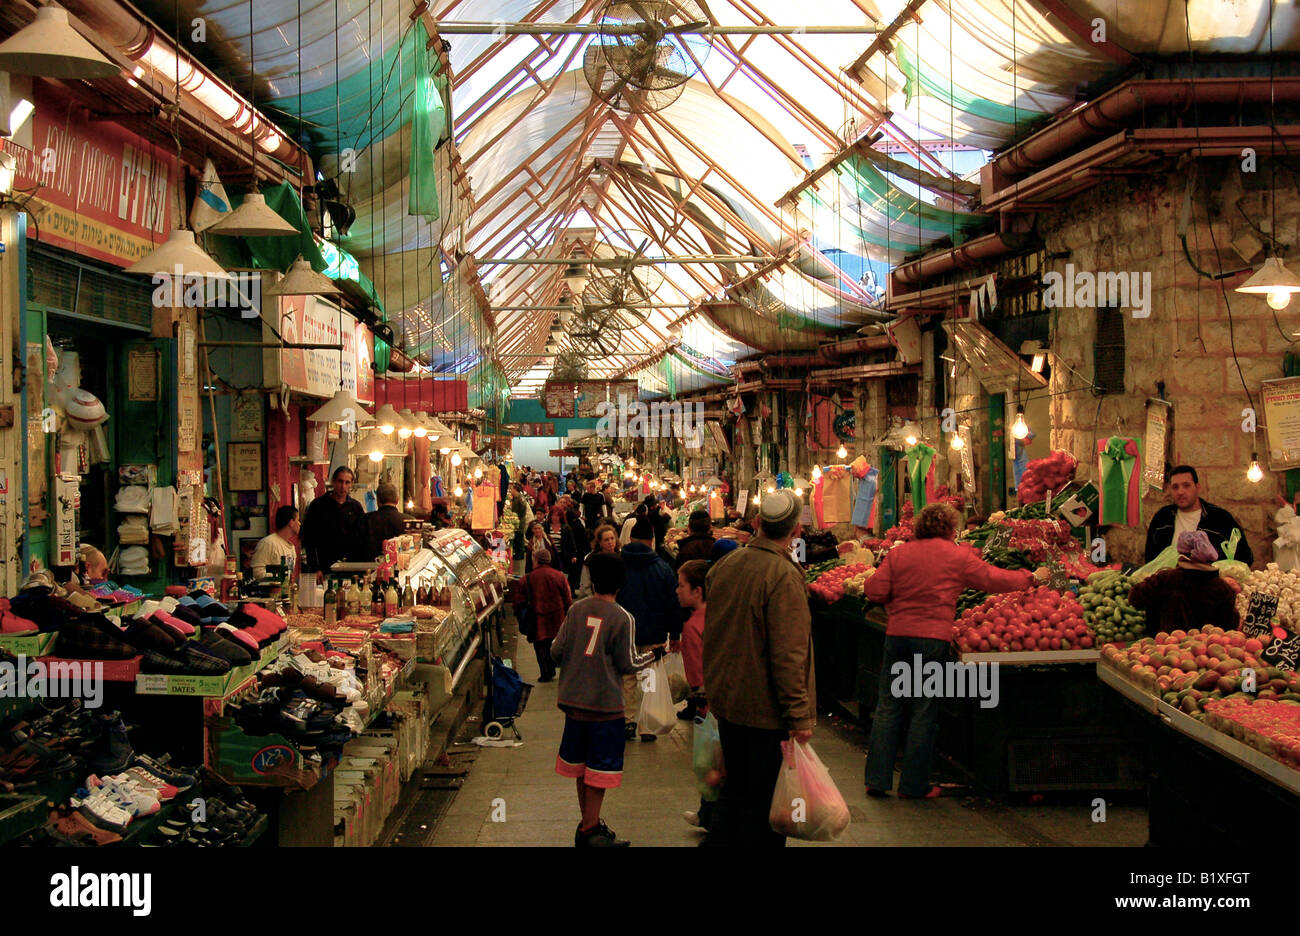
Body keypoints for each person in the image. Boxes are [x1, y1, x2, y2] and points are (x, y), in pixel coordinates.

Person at [863, 503, 1044, 799]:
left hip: (897, 637)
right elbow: (993, 579)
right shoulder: (957, 556)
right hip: (931, 640)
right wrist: (1030, 577)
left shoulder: (899, 553)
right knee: (923, 711)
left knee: (888, 707)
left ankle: (876, 780)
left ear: (920, 526)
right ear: (949, 528)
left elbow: (874, 591)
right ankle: (913, 785)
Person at [701, 490, 810, 847]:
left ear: (758, 524)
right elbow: (788, 654)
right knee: (764, 806)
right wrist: (798, 715)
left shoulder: (725, 566)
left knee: (736, 791)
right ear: (795, 531)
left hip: (728, 701)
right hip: (765, 711)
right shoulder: (782, 575)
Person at [551, 552, 658, 847]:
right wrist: (653, 655)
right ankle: (590, 831)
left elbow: (556, 652)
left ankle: (590, 823)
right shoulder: (623, 618)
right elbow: (628, 663)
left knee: (581, 765)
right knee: (600, 769)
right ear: (621, 583)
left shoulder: (576, 610)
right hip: (605, 706)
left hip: (573, 702)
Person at [619, 518, 684, 742]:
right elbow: (673, 604)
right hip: (654, 633)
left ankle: (628, 721)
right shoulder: (662, 569)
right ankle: (647, 724)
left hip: (624, 633)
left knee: (627, 676)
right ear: (651, 540)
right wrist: (675, 634)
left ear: (630, 538)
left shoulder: (619, 563)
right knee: (650, 676)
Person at [1130, 530, 1242, 634]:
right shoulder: (1223, 588)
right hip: (1207, 650)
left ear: (1182, 555)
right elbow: (1231, 625)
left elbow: (1135, 598)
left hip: (1167, 648)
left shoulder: (1166, 579)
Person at [1145, 465, 1253, 564]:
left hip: (1209, 583)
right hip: (1168, 582)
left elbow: (1245, 557)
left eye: (1186, 485)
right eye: (1175, 487)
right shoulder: (1161, 518)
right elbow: (1150, 559)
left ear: (1197, 487)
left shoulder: (1221, 518)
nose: (1180, 492)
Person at [676, 559, 713, 831]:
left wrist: (699, 703)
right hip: (730, 700)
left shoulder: (691, 628)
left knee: (709, 764)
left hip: (708, 707)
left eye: (681, 586)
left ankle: (710, 816)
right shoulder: (720, 615)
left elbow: (697, 675)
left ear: (697, 591)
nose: (677, 591)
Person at [517, 546, 572, 682]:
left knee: (540, 645)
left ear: (536, 560)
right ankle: (554, 666)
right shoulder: (559, 576)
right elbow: (567, 598)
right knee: (554, 643)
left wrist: (520, 615)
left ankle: (545, 672)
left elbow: (519, 601)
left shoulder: (527, 579)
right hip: (557, 617)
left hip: (537, 617)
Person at [301, 466, 367, 576]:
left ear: (351, 484)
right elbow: (309, 539)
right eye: (340, 481)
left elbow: (362, 538)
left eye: (347, 482)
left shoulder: (356, 507)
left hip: (350, 567)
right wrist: (315, 567)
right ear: (333, 481)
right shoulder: (318, 506)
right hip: (325, 566)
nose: (343, 486)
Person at [251, 506, 300, 579]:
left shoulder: (291, 547)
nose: (299, 524)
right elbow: (257, 572)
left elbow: (289, 573)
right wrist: (280, 577)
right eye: (298, 520)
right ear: (291, 522)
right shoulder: (268, 543)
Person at [364, 482, 409, 559]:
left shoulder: (364, 520)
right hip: (402, 566)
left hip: (369, 568)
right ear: (397, 500)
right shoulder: (409, 521)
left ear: (378, 500)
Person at [576, 523, 620, 599]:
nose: (610, 542)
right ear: (600, 543)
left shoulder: (621, 556)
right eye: (606, 540)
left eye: (612, 538)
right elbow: (585, 586)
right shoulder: (591, 559)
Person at [562, 508, 588, 591]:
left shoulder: (568, 527)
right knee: (576, 572)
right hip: (580, 552)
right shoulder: (579, 525)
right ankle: (574, 587)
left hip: (573, 553)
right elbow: (584, 539)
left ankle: (570, 588)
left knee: (572, 572)